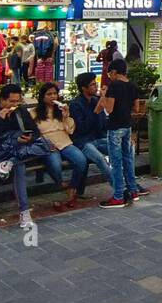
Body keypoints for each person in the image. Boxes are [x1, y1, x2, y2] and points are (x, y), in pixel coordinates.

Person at [0, 84, 48, 230]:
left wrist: (29, 138)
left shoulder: (20, 112)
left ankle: (9, 162)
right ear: (2, 100)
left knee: (45, 144)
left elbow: (35, 131)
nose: (15, 105)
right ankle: (24, 212)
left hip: (17, 150)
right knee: (19, 162)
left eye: (17, 101)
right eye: (12, 102)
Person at [67, 72, 122, 205]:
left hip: (98, 137)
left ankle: (132, 185)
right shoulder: (75, 105)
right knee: (100, 159)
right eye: (92, 85)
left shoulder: (96, 100)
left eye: (95, 83)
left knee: (122, 150)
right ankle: (120, 190)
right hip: (83, 141)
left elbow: (102, 125)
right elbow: (81, 128)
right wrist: (96, 111)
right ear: (83, 88)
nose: (96, 86)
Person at [34, 82, 91, 210]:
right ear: (43, 96)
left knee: (81, 160)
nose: (53, 96)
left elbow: (70, 130)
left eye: (55, 93)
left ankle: (72, 188)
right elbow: (33, 132)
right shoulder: (34, 113)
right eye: (49, 94)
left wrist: (66, 116)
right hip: (47, 144)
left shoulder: (61, 111)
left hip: (64, 141)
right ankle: (62, 184)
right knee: (55, 164)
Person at [98, 59, 143, 208]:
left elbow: (109, 109)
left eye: (110, 73)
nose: (109, 76)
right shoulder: (133, 85)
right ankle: (133, 190)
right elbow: (136, 109)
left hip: (115, 126)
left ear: (115, 72)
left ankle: (118, 196)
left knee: (116, 162)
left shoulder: (114, 86)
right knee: (128, 159)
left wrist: (103, 96)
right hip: (127, 126)